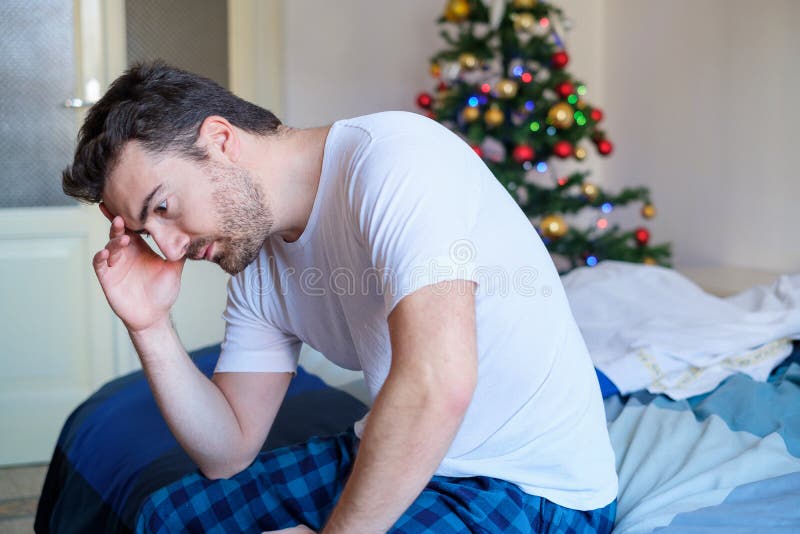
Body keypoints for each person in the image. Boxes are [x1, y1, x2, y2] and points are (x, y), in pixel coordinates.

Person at [62, 61, 618, 533]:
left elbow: (438, 384)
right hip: (410, 459)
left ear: (221, 141)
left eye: (163, 208)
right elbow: (227, 451)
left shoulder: (397, 160)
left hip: (532, 487)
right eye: (146, 231)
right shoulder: (256, 260)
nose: (169, 248)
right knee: (168, 516)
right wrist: (150, 325)